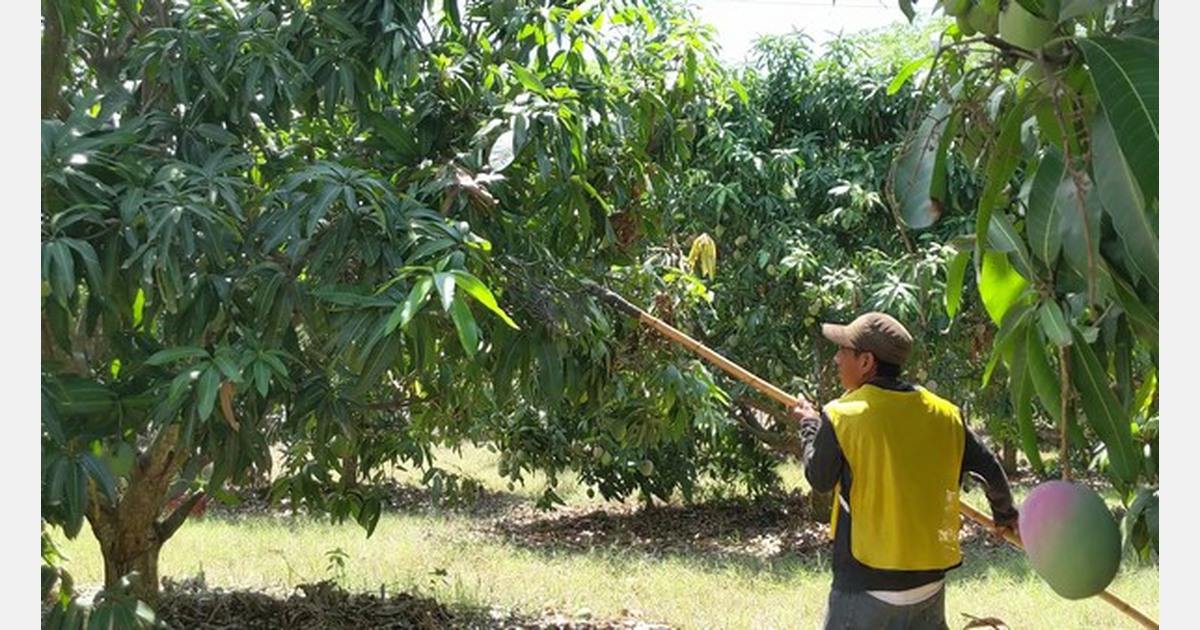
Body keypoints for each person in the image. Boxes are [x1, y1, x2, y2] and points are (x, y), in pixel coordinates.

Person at [788, 311, 1019, 630]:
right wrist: (1005, 515)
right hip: (929, 586)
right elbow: (991, 469)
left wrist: (810, 425)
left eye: (843, 351)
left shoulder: (842, 416)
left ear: (866, 361)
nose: (837, 358)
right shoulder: (945, 414)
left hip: (867, 583)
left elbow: (820, 478)